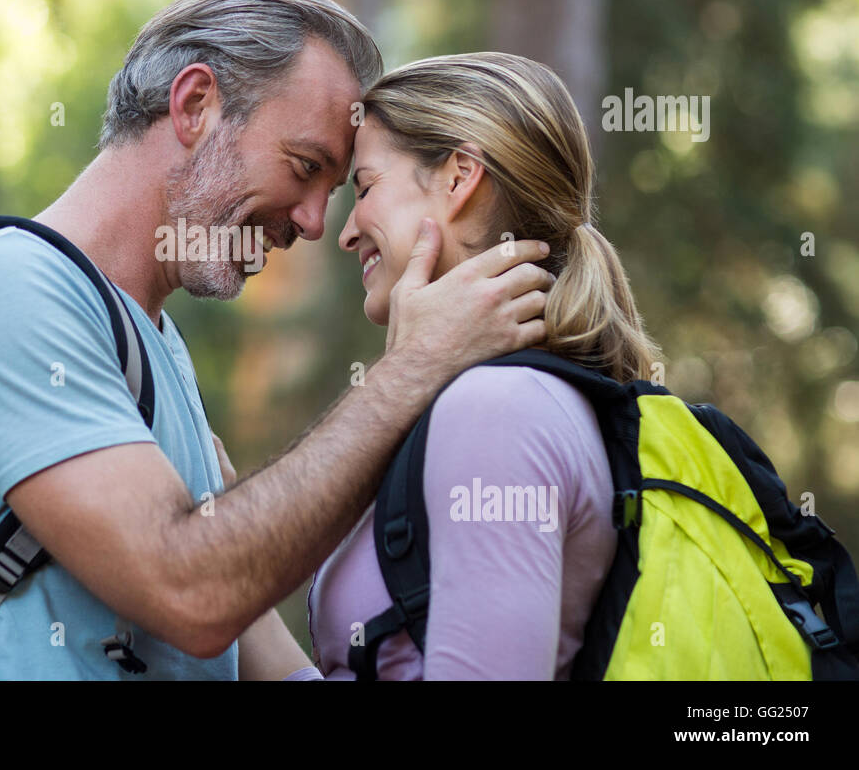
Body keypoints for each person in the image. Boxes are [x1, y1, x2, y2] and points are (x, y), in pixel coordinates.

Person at [0, 0, 554, 679]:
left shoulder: (154, 345)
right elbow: (190, 591)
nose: (317, 222)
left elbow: (229, 627)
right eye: (306, 167)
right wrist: (412, 370)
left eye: (340, 187)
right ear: (196, 105)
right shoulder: (10, 288)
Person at [271, 52, 658, 680]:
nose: (343, 233)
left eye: (364, 187)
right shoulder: (485, 405)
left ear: (458, 179)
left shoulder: (496, 414)